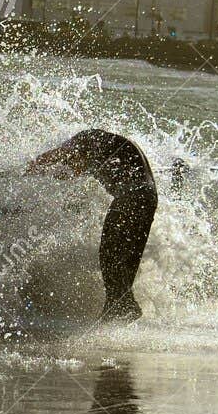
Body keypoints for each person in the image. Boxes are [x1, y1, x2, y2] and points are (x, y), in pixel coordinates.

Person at [26, 129, 157, 323]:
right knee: (125, 262)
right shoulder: (103, 147)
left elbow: (55, 155)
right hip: (148, 198)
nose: (68, 166)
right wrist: (59, 172)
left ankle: (120, 309)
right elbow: (76, 169)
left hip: (130, 198)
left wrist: (32, 167)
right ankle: (117, 313)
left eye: (69, 161)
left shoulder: (83, 139)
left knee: (109, 255)